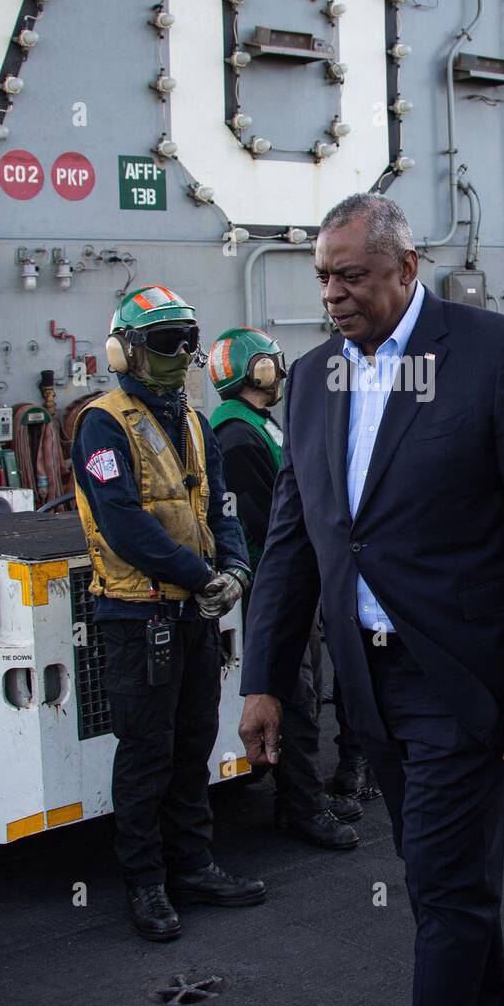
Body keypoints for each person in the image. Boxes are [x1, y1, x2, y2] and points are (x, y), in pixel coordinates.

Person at [238, 192, 504, 1006]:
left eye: (351, 276)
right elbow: (295, 543)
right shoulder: (316, 379)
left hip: (459, 679)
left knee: (444, 887)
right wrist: (262, 680)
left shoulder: (496, 355)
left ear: (406, 268)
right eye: (323, 277)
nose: (331, 295)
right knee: (447, 887)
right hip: (366, 685)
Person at [71, 285, 264, 943]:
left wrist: (235, 570)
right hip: (137, 619)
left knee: (193, 749)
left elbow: (223, 509)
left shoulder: (195, 422)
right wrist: (201, 576)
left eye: (188, 339)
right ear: (124, 351)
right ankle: (145, 884)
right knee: (147, 754)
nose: (180, 354)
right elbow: (122, 522)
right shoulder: (103, 423)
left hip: (194, 618)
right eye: (163, 342)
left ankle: (193, 866)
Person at [206, 325, 363, 849]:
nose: (281, 369)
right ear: (258, 371)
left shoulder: (254, 424)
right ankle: (303, 808)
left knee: (306, 690)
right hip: (277, 589)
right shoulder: (237, 434)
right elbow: (271, 522)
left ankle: (304, 795)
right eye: (272, 361)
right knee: (293, 696)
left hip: (300, 581)